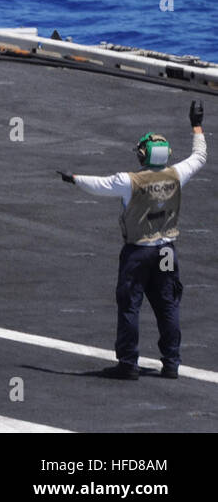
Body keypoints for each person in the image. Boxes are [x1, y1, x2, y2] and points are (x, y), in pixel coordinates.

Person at [59, 101, 206, 379]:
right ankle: (172, 363)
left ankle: (128, 363)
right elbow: (200, 157)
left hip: (138, 253)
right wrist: (196, 125)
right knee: (167, 305)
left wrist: (73, 179)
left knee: (130, 305)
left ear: (144, 155)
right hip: (165, 252)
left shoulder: (129, 181)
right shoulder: (178, 175)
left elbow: (97, 185)